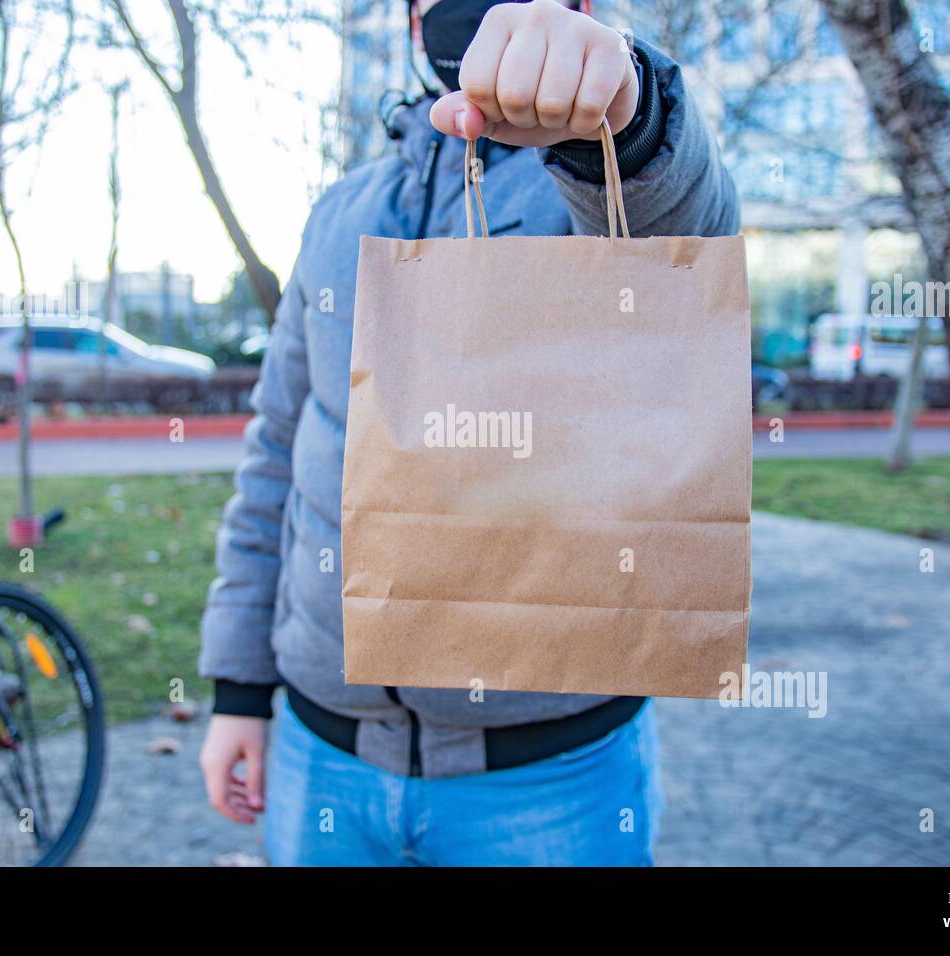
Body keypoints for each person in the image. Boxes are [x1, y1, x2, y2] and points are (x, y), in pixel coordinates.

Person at [198, 0, 740, 866]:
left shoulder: (589, 179)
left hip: (551, 772)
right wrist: (239, 691)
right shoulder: (338, 213)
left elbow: (677, 256)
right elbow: (276, 454)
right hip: (319, 752)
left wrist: (626, 118)